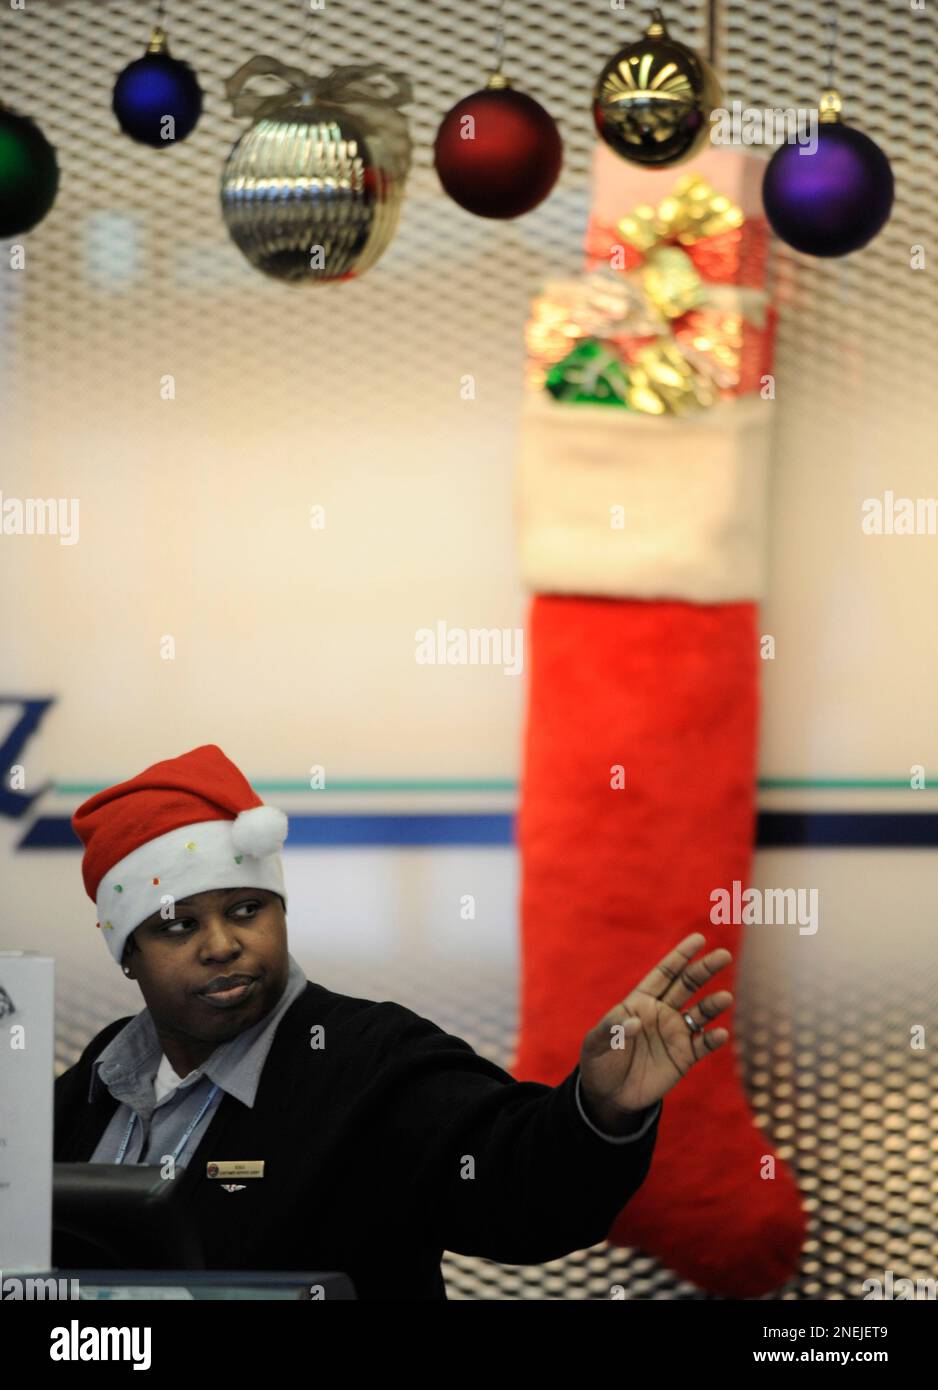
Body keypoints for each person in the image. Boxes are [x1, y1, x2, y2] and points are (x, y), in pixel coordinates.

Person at [55, 743, 734, 1300]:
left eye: (244, 910)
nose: (222, 946)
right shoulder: (94, 1081)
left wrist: (598, 1113)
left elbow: (518, 1192)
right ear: (127, 955)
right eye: (179, 926)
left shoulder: (371, 1061)